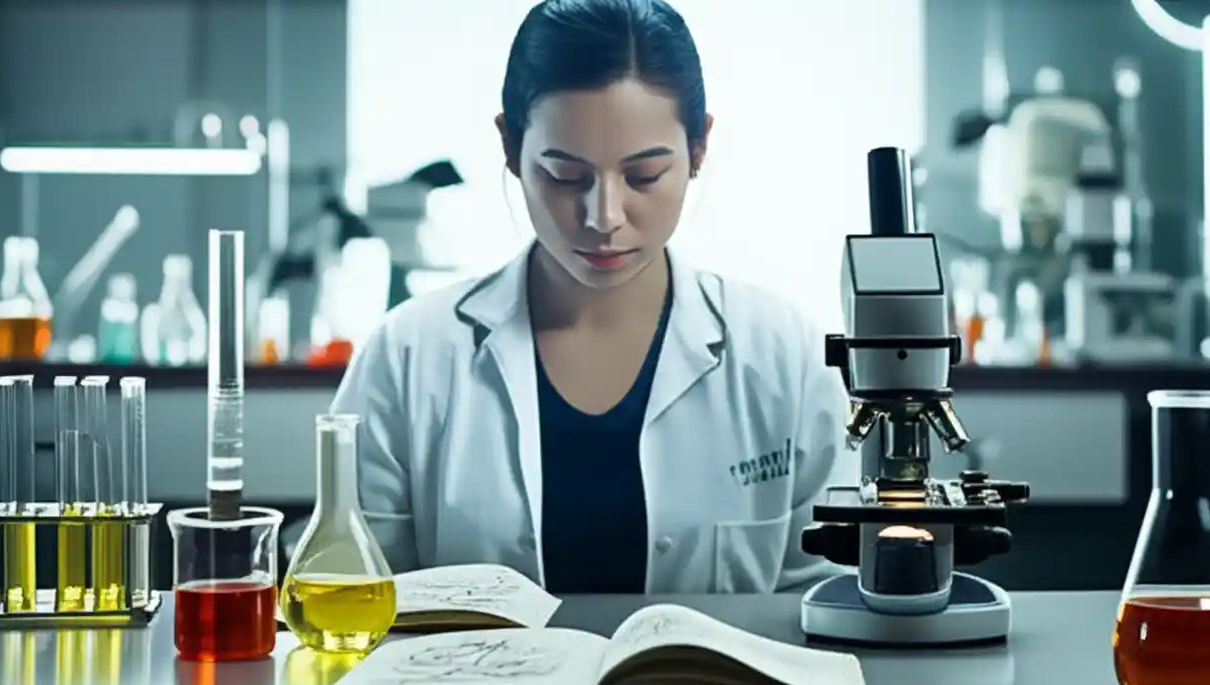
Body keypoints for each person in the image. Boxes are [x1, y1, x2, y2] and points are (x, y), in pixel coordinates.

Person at [331, 0, 858, 594]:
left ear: (699, 149)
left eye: (644, 176)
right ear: (510, 147)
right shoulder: (406, 357)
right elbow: (356, 600)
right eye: (565, 176)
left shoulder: (786, 357)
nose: (603, 217)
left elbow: (829, 606)